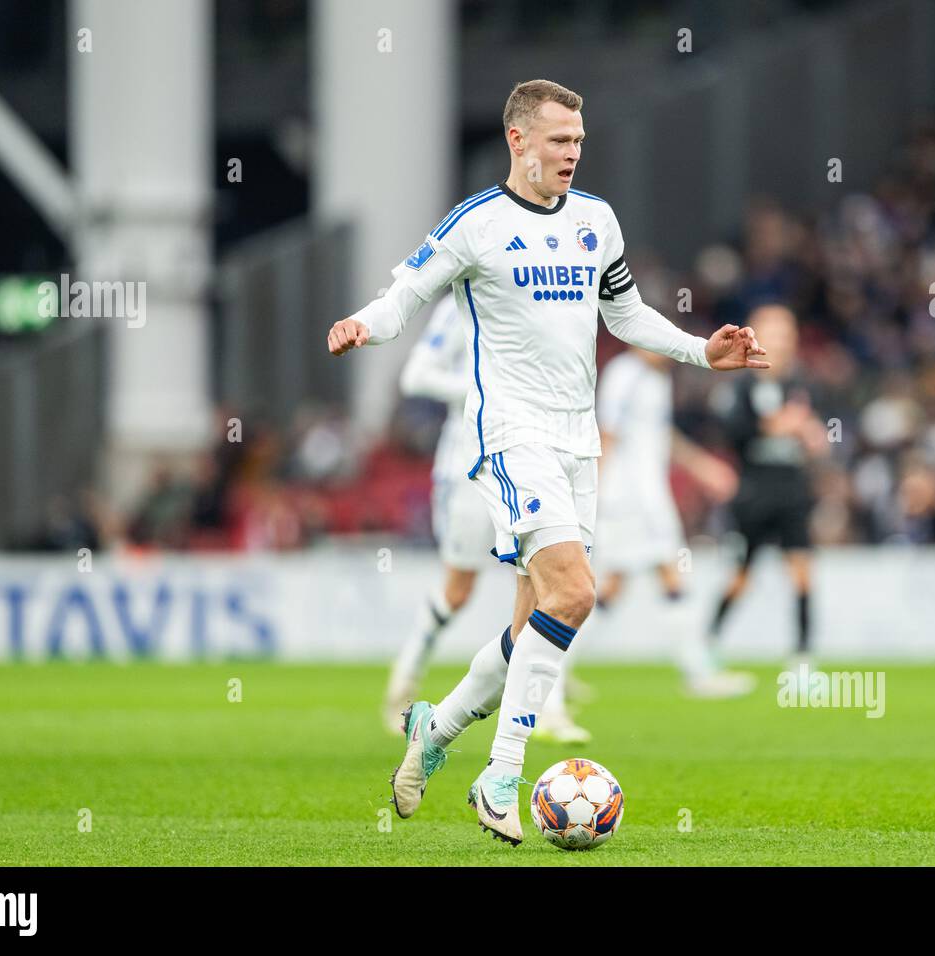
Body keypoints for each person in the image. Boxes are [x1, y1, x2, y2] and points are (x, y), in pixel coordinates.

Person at [328, 79, 770, 845]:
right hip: (513, 433)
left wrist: (702, 351)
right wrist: (362, 325)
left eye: (578, 142)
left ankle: (436, 729)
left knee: (539, 616)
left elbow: (624, 313)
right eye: (559, 141)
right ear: (518, 141)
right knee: (575, 594)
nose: (571, 154)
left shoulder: (597, 221)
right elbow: (406, 292)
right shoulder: (478, 224)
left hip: (579, 440)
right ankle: (501, 773)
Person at [550, 347, 750, 724]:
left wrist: (702, 466)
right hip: (630, 499)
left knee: (609, 588)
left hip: (644, 497)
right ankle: (699, 673)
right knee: (670, 576)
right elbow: (606, 433)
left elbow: (660, 436)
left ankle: (554, 669)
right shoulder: (626, 374)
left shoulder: (657, 380)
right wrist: (592, 497)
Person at [382, 297, 496, 733]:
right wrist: (479, 392)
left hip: (526, 461)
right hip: (466, 465)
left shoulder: (531, 284)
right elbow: (417, 376)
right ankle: (405, 677)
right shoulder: (462, 303)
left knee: (547, 578)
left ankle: (548, 699)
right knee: (458, 589)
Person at [708, 304, 827, 678]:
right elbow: (734, 434)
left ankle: (803, 660)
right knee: (741, 575)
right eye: (773, 331)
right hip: (755, 492)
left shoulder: (802, 384)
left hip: (792, 489)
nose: (781, 340)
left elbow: (819, 436)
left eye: (786, 332)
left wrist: (811, 436)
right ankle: (706, 644)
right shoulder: (742, 382)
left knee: (803, 572)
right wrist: (776, 426)